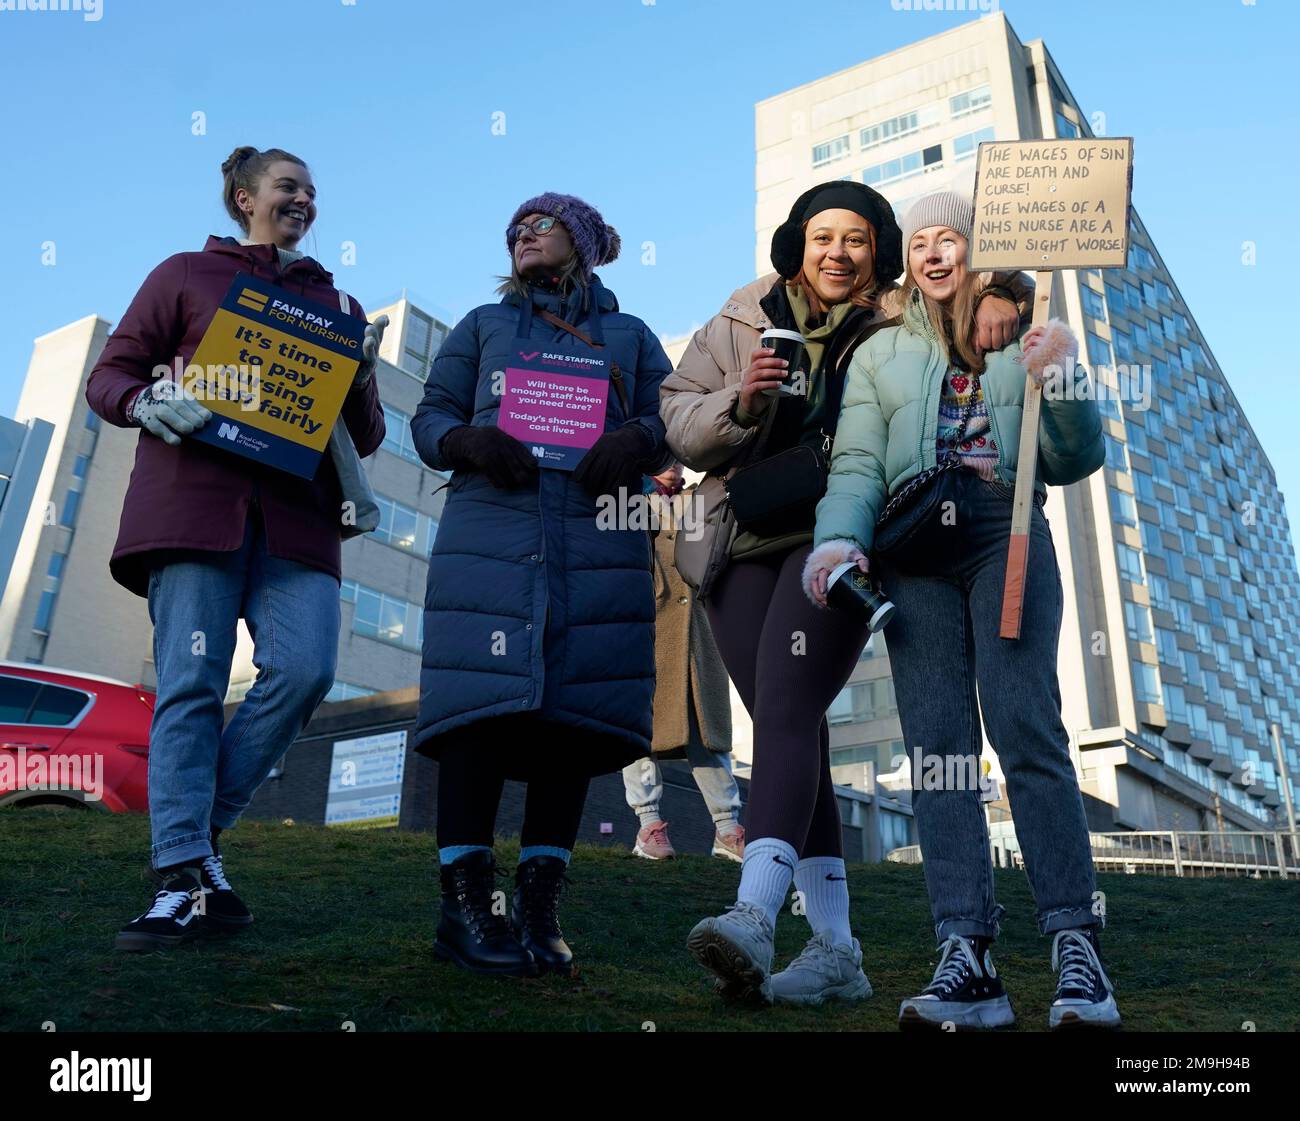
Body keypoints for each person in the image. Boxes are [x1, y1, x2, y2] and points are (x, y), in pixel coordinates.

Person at [661, 181, 1030, 1006]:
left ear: (878, 250)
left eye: (857, 238)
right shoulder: (739, 315)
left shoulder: (901, 317)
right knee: (788, 726)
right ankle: (835, 946)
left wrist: (1008, 288)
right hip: (736, 541)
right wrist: (741, 401)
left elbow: (983, 294)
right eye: (822, 235)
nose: (838, 251)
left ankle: (755, 911)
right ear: (797, 243)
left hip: (839, 544)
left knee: (790, 708)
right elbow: (677, 419)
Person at [804, 190, 1119, 1030]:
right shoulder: (878, 356)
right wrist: (838, 540)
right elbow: (860, 463)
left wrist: (1065, 376)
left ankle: (1076, 946)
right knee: (938, 749)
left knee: (1026, 728)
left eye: (950, 238)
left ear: (973, 248)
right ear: (907, 258)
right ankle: (967, 955)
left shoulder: (1023, 328)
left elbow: (1076, 455)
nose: (933, 253)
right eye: (920, 243)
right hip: (914, 551)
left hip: (1004, 532)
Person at [86, 145, 387, 952]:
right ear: (244, 196)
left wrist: (359, 378)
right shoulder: (184, 273)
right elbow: (108, 375)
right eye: (290, 187)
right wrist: (148, 399)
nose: (305, 201)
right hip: (194, 511)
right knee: (191, 683)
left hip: (298, 522)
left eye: (314, 192)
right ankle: (181, 875)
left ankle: (195, 831)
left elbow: (365, 436)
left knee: (306, 667)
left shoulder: (340, 305)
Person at [410, 192, 672, 978]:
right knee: (477, 718)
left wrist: (636, 438)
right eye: (516, 227)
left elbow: (676, 416)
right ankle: (464, 910)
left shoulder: (629, 335)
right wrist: (469, 438)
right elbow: (429, 418)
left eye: (542, 224)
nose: (524, 233)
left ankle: (538, 908)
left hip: (598, 543)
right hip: (491, 542)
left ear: (582, 244)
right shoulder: (482, 326)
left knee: (573, 723)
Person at [624, 463, 744, 862]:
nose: (673, 465)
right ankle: (648, 826)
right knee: (641, 730)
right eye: (665, 457)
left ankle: (727, 829)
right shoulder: (627, 499)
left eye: (678, 457)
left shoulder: (703, 497)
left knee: (708, 730)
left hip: (699, 633)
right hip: (648, 631)